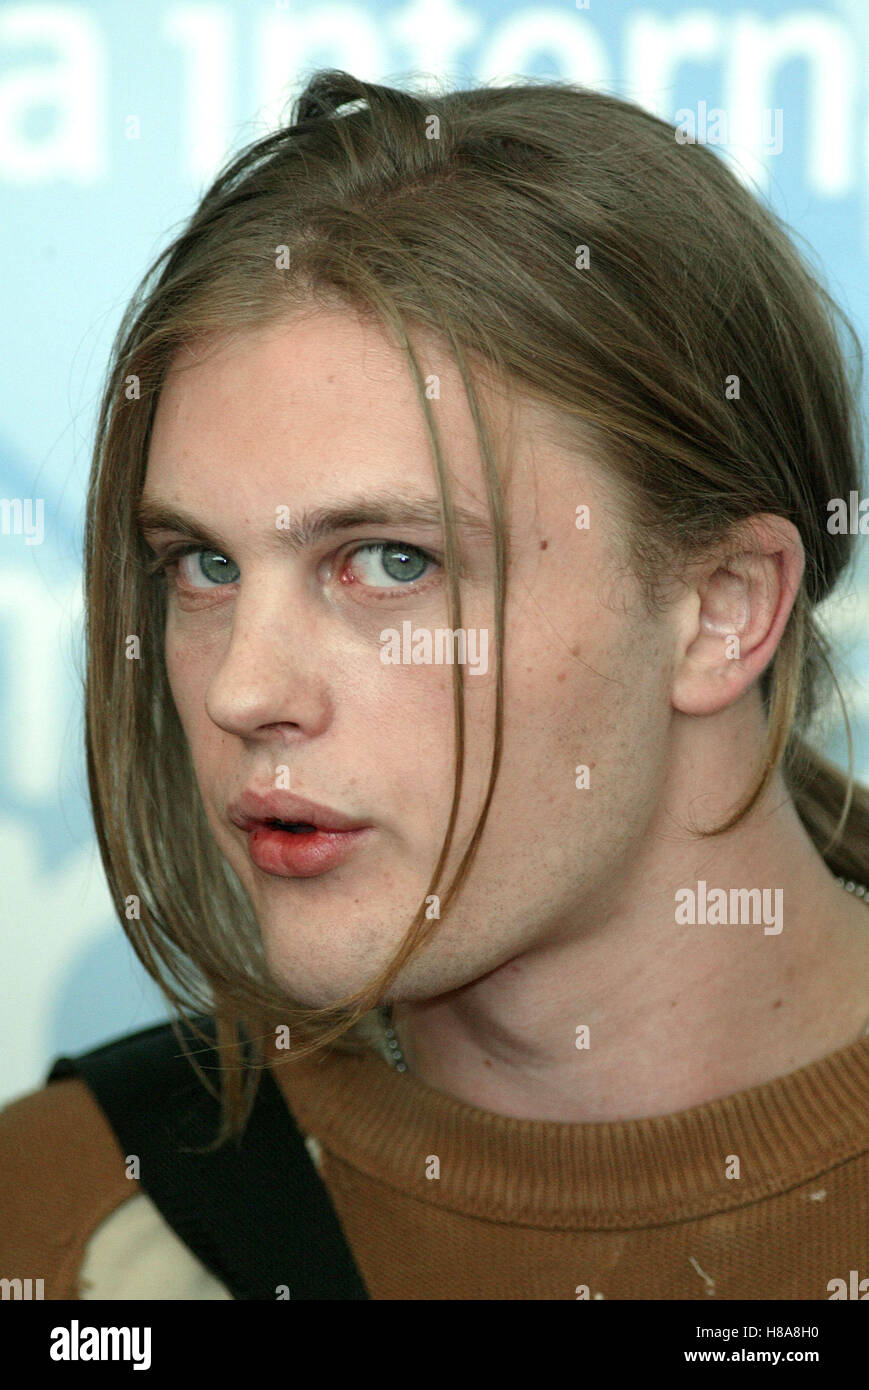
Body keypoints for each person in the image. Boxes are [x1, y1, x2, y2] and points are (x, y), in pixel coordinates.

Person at [2, 68, 868, 1302]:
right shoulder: (64, 1225)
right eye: (200, 564)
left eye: (388, 561)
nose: (243, 691)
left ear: (720, 609)